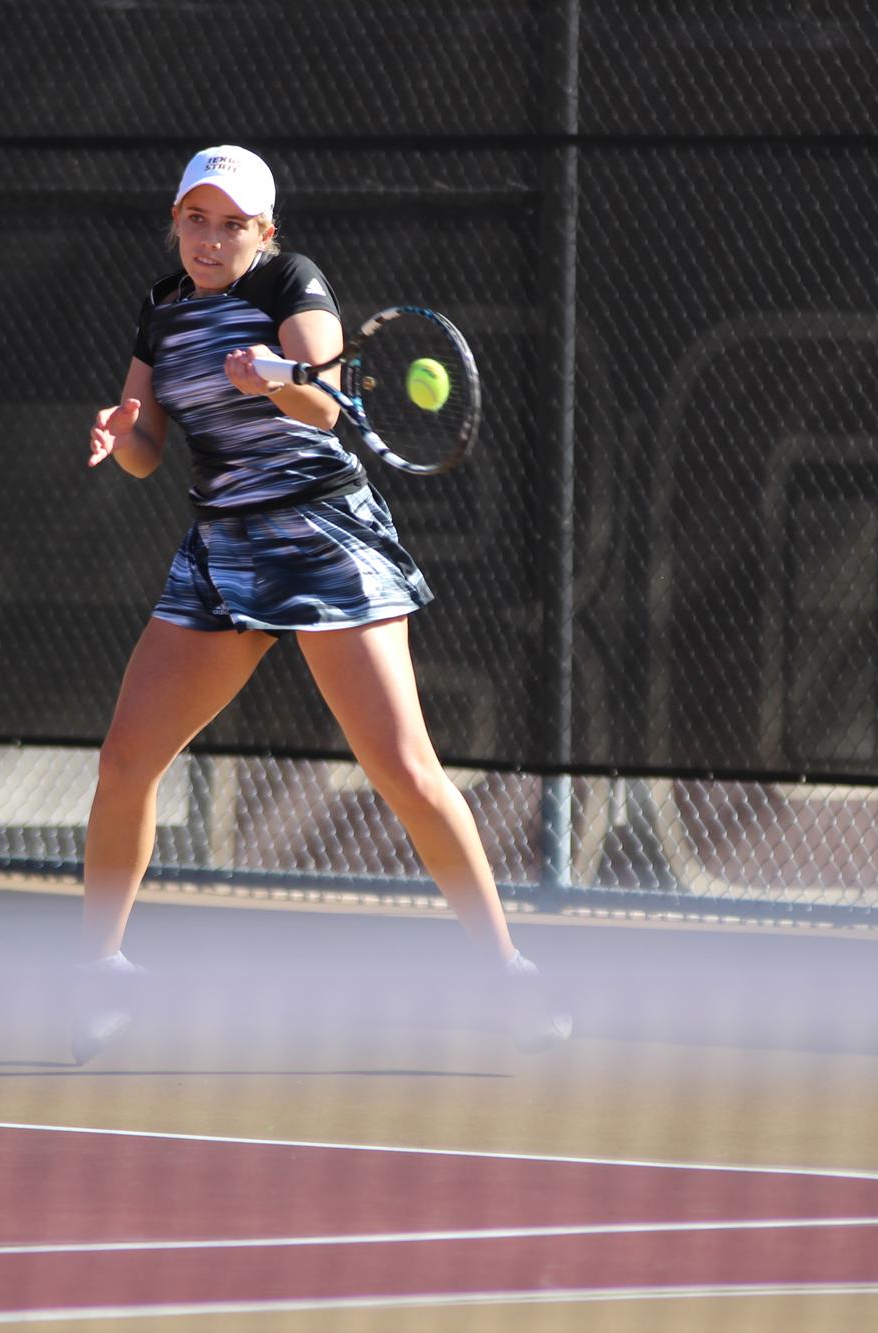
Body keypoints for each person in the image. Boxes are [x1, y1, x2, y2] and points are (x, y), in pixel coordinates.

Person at [74, 145, 570, 1063]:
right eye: (197, 218)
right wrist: (123, 428)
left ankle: (506, 974)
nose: (211, 237)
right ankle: (101, 973)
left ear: (264, 232)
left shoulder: (290, 283)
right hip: (221, 546)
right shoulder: (162, 307)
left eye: (233, 224)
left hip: (322, 537)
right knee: (124, 761)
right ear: (175, 218)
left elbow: (328, 406)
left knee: (403, 768)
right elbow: (148, 449)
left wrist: (278, 377)